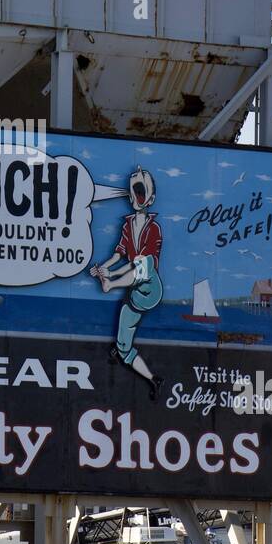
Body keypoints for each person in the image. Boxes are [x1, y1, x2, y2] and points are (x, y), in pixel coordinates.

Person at [90, 167, 164, 400]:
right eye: (133, 192)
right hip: (133, 293)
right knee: (123, 347)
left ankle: (112, 285)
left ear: (150, 198)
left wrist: (111, 277)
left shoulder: (153, 228)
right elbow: (119, 253)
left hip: (150, 288)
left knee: (146, 264)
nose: (135, 198)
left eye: (140, 192)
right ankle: (153, 380)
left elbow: (140, 263)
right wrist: (104, 267)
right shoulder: (126, 225)